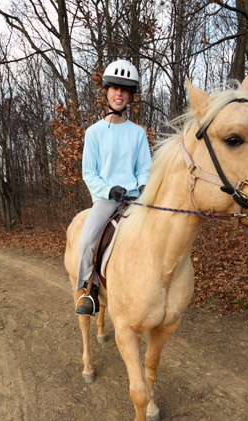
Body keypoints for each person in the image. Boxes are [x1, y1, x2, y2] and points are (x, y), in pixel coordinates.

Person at [75, 59, 152, 315]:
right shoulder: (94, 133)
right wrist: (109, 190)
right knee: (87, 240)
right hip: (106, 199)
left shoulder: (138, 133)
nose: (119, 94)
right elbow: (89, 173)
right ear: (107, 92)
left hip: (135, 199)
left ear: (130, 96)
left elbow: (144, 168)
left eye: (124, 90)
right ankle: (89, 290)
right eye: (115, 89)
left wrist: (143, 186)